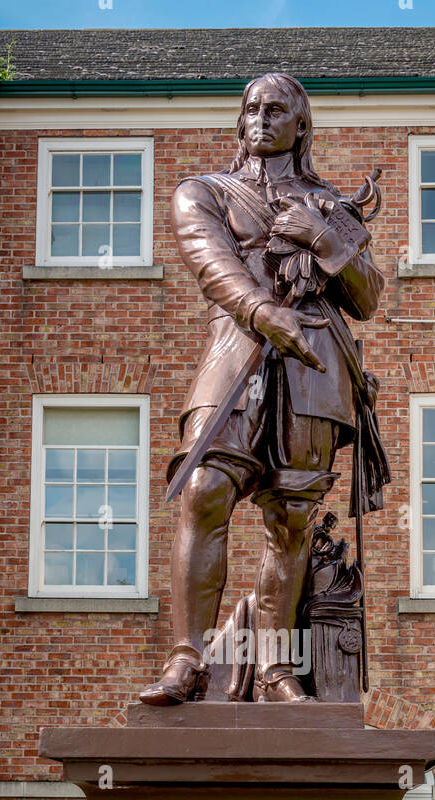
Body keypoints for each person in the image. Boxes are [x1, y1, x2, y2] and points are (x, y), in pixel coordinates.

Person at [140, 71, 386, 705]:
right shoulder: (205, 191)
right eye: (251, 108)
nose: (260, 118)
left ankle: (276, 669)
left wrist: (324, 237)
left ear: (301, 126)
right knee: (204, 487)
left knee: (292, 516)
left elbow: (367, 296)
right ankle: (188, 657)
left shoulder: (332, 204)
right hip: (238, 349)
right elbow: (209, 260)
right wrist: (259, 310)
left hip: (315, 364)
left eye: (277, 110)